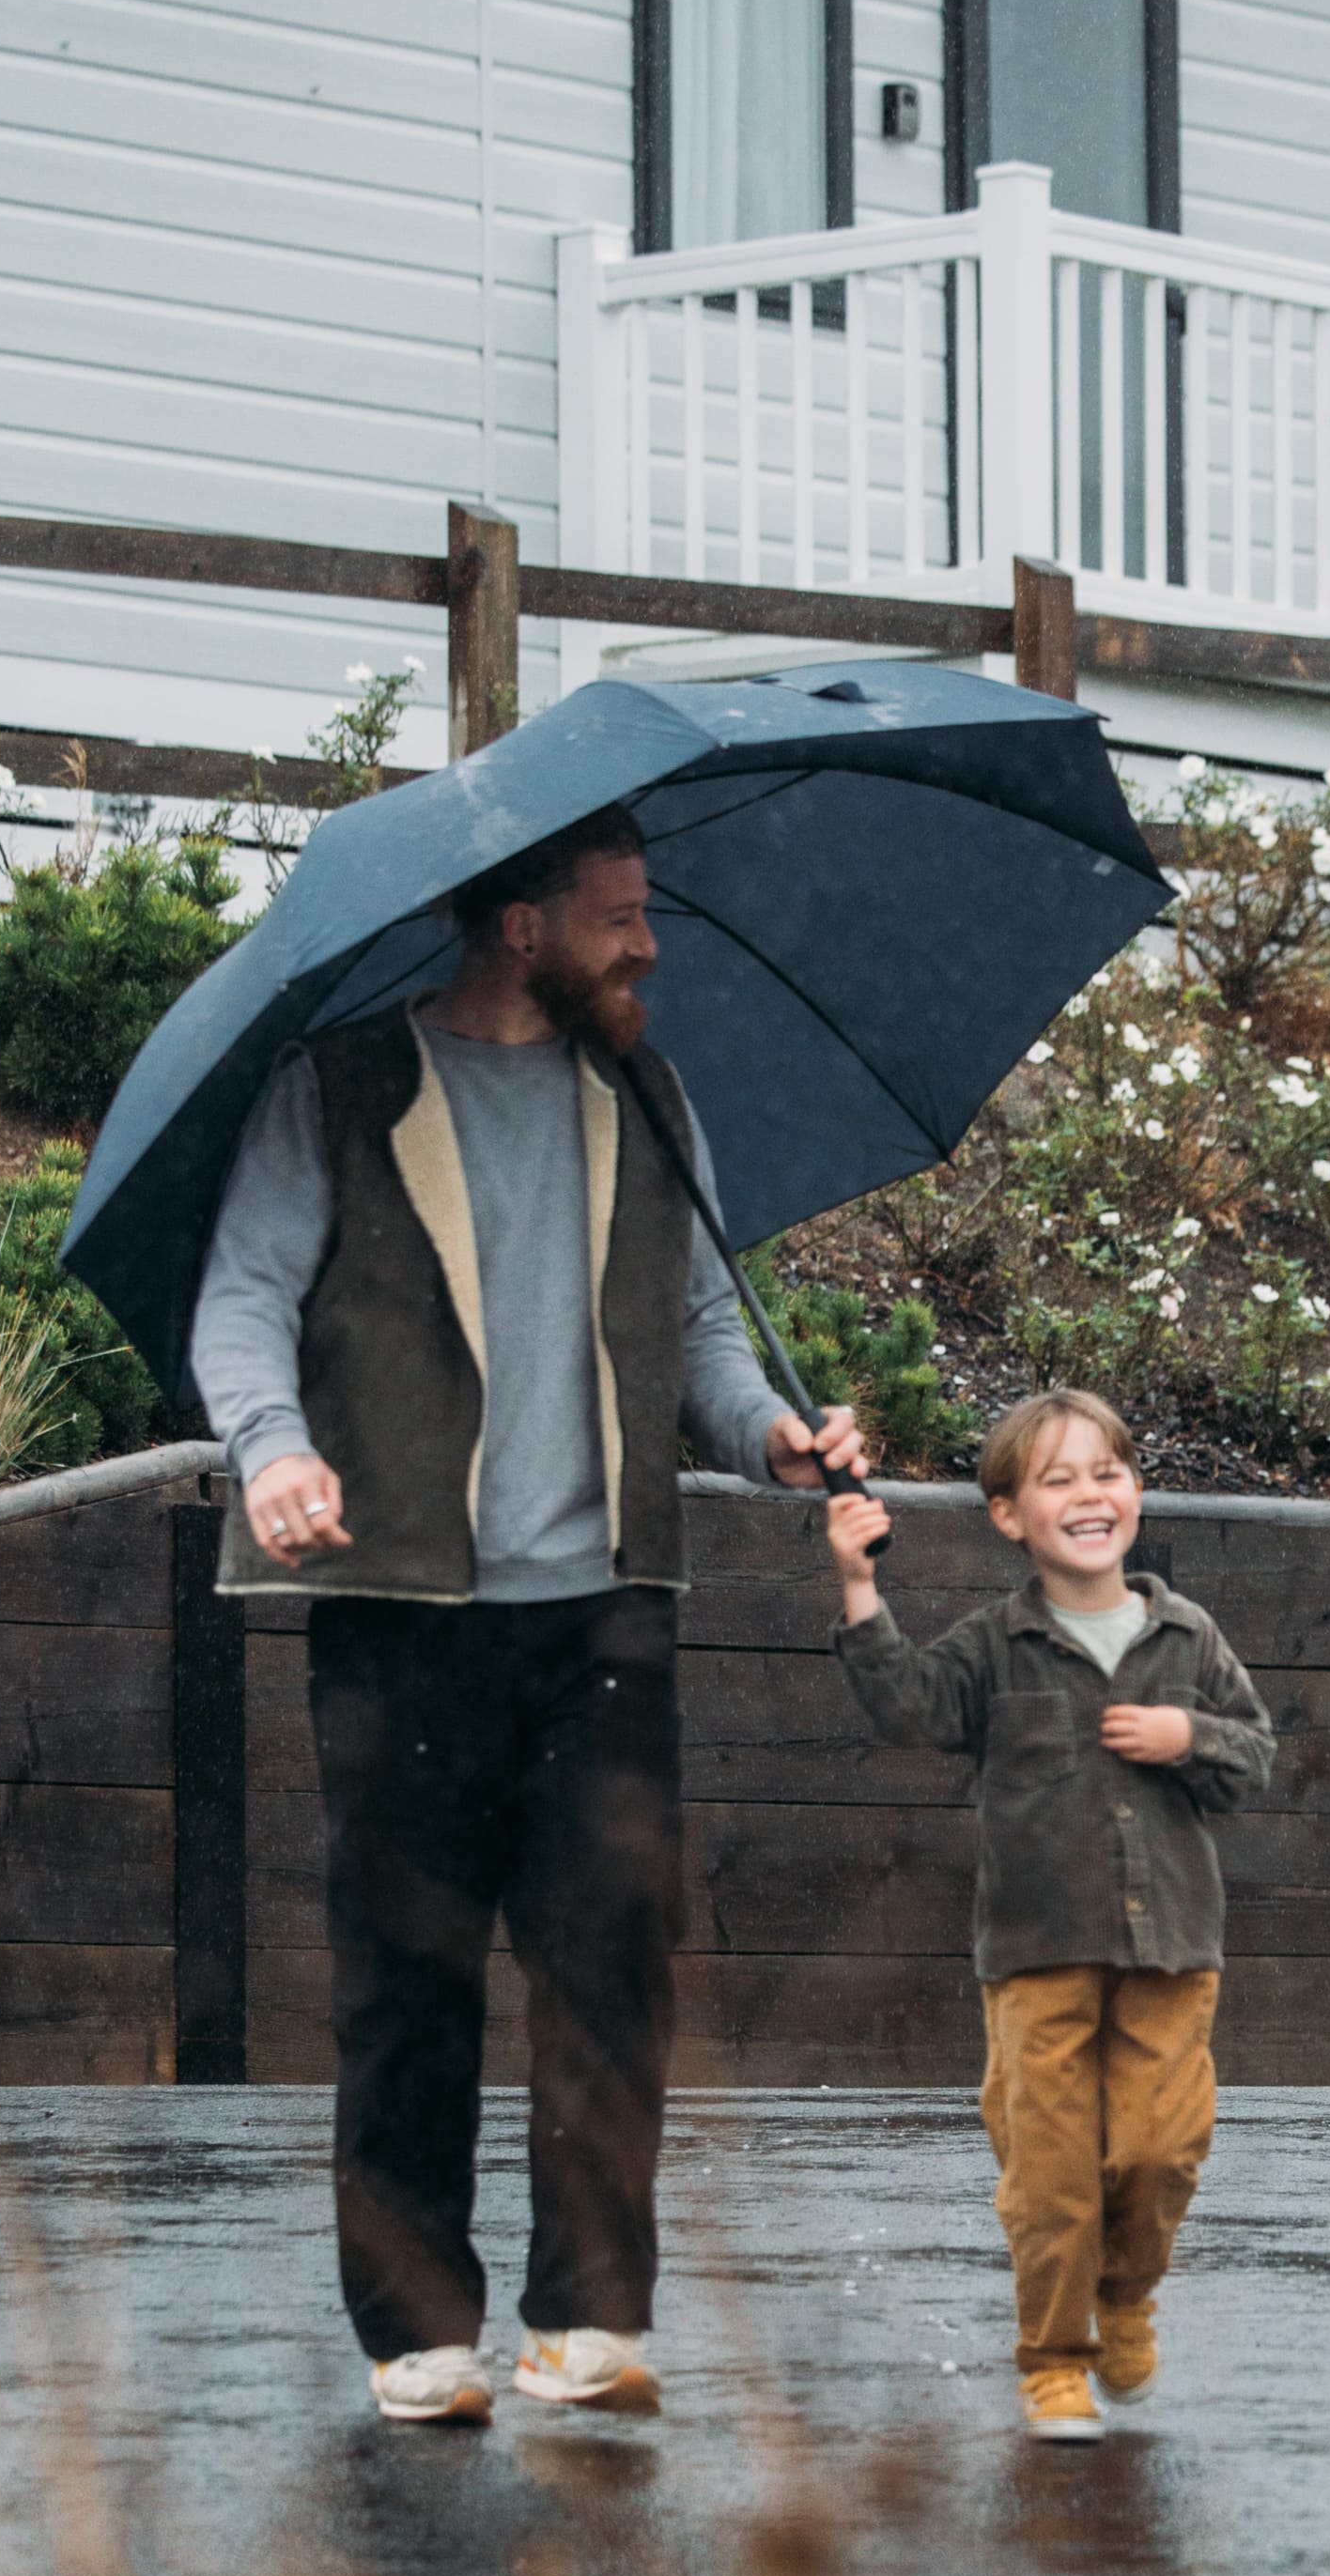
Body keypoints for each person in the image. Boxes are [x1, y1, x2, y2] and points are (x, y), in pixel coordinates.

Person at [191, 805, 864, 2428]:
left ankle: (589, 2325)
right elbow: (241, 1298)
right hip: (401, 1604)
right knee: (403, 1982)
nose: (646, 943)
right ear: (520, 926)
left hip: (602, 1613)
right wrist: (273, 1454)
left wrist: (765, 1430)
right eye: (618, 916)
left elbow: (702, 1328)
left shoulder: (646, 1091)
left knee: (609, 1970)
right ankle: (420, 2333)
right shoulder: (341, 1088)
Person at [827, 1390, 1272, 2444]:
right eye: (1057, 1478)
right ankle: (1054, 2360)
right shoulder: (996, 1644)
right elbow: (909, 1705)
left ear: (1136, 1492)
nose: (1088, 1494)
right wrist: (856, 1582)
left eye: (1107, 1471)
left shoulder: (1186, 1634)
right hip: (1034, 1957)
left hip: (1170, 1946)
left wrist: (1189, 1735)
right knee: (1052, 2172)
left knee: (1159, 2153)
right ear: (1007, 1515)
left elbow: (1254, 1753)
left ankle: (1126, 2295)